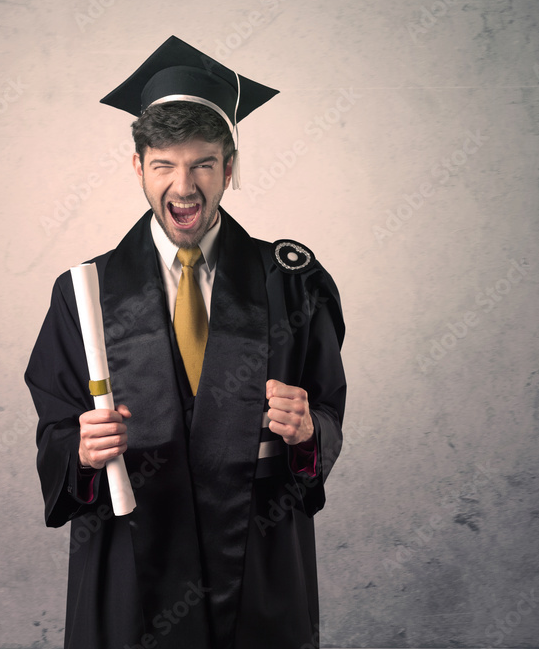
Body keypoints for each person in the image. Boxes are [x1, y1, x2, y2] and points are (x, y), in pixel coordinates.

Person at [25, 36, 346, 649]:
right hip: (133, 559)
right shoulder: (85, 293)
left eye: (202, 163)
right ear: (139, 166)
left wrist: (308, 433)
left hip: (254, 556)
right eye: (164, 164)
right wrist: (82, 451)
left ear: (230, 167)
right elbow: (56, 433)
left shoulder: (292, 282)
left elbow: (328, 410)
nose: (184, 186)